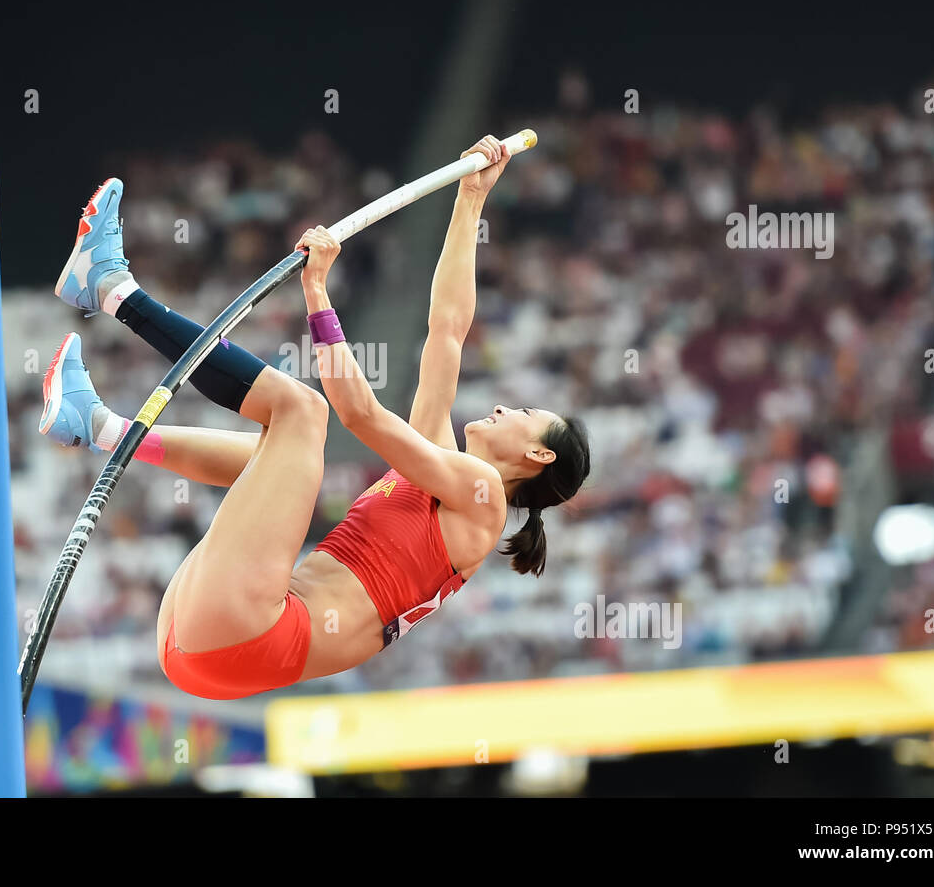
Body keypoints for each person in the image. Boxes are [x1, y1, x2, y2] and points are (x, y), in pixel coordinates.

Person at [39, 135, 590, 699]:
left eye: (523, 413)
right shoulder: (444, 470)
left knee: (302, 411)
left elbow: (359, 413)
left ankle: (110, 288)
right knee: (276, 462)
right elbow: (447, 331)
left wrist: (318, 291)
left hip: (252, 631)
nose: (502, 407)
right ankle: (100, 427)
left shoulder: (483, 496)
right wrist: (470, 200)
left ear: (538, 454)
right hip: (205, 640)